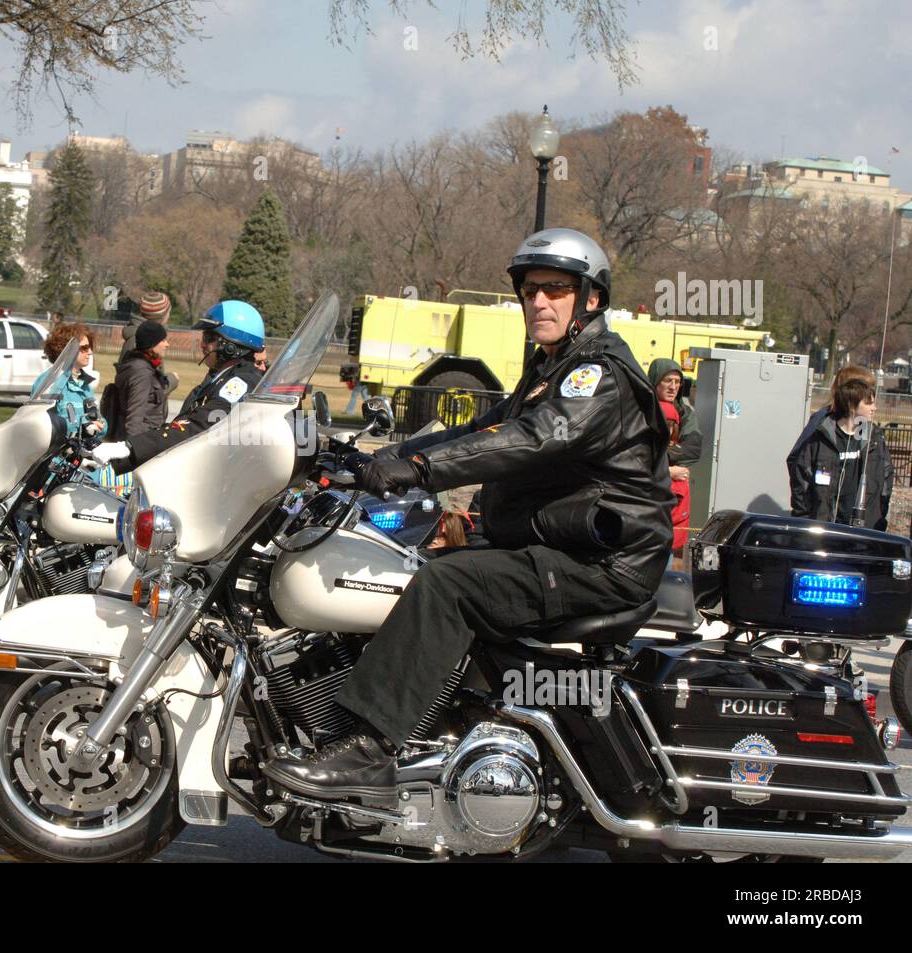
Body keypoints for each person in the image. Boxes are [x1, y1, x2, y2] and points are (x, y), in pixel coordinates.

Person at [262, 228, 674, 799]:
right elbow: (484, 430)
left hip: (602, 562)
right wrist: (378, 456)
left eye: (556, 289)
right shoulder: (553, 365)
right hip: (560, 548)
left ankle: (371, 750)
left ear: (591, 299)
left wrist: (419, 473)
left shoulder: (596, 375)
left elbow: (531, 438)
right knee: (414, 562)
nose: (539, 301)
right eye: (530, 290)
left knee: (448, 583)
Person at [91, 301, 266, 472]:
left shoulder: (240, 382)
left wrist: (130, 446)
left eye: (209, 338)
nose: (202, 344)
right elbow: (182, 423)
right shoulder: (217, 379)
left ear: (231, 346)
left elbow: (199, 426)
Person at [789, 365, 893, 530]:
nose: (874, 408)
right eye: (868, 401)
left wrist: (879, 517)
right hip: (825, 526)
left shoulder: (872, 436)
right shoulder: (822, 425)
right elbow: (799, 468)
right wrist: (805, 518)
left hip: (865, 528)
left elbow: (885, 479)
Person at [648, 358, 702, 555]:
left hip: (675, 503)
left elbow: (692, 450)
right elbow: (636, 454)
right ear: (654, 381)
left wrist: (658, 455)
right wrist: (667, 469)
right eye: (667, 381)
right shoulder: (640, 409)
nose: (673, 387)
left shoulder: (686, 414)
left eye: (677, 382)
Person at [33, 321, 107, 438]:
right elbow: (41, 423)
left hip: (78, 454)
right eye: (85, 348)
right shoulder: (49, 382)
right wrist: (84, 425)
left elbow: (100, 421)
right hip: (56, 455)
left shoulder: (84, 383)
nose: (90, 352)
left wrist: (99, 425)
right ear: (66, 350)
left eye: (90, 347)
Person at [103, 319, 170, 444]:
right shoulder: (141, 372)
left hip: (150, 437)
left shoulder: (145, 367)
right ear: (152, 344)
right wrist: (135, 452)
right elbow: (135, 418)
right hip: (144, 440)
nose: (167, 344)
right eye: (163, 340)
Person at [117, 291, 171, 365]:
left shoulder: (151, 338)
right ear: (161, 316)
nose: (169, 317)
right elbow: (133, 374)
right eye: (168, 313)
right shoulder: (138, 341)